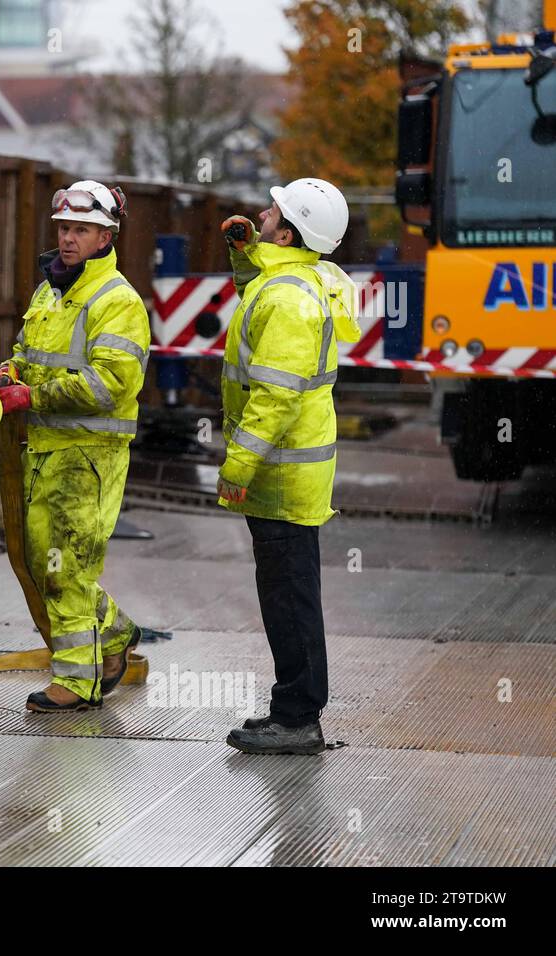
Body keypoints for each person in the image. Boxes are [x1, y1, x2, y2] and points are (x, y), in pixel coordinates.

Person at [217, 177, 359, 755]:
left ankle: (298, 716)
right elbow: (266, 286)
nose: (261, 212)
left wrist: (238, 467)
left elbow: (274, 396)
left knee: (290, 597)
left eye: (272, 212)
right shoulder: (300, 281)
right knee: (286, 593)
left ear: (291, 230)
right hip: (288, 471)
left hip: (280, 474)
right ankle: (295, 709)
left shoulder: (289, 301)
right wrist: (246, 252)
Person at [0, 181, 151, 713]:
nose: (67, 239)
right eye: (63, 228)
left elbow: (112, 384)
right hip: (46, 447)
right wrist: (12, 368)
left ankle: (77, 681)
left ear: (106, 234)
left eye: (80, 230)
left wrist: (31, 394)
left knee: (68, 565)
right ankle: (116, 633)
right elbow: (28, 350)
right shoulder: (52, 290)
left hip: (89, 454)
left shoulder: (117, 301)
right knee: (45, 561)